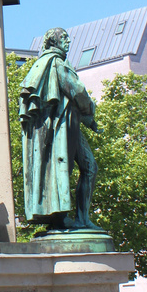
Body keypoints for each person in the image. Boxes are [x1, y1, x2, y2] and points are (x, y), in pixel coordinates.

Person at [18, 27, 100, 231]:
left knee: (89, 167)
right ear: (53, 42)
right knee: (85, 168)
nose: (68, 41)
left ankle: (82, 219)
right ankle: (65, 216)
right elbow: (77, 90)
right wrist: (90, 111)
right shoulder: (55, 62)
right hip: (59, 129)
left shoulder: (46, 64)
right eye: (64, 38)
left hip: (67, 126)